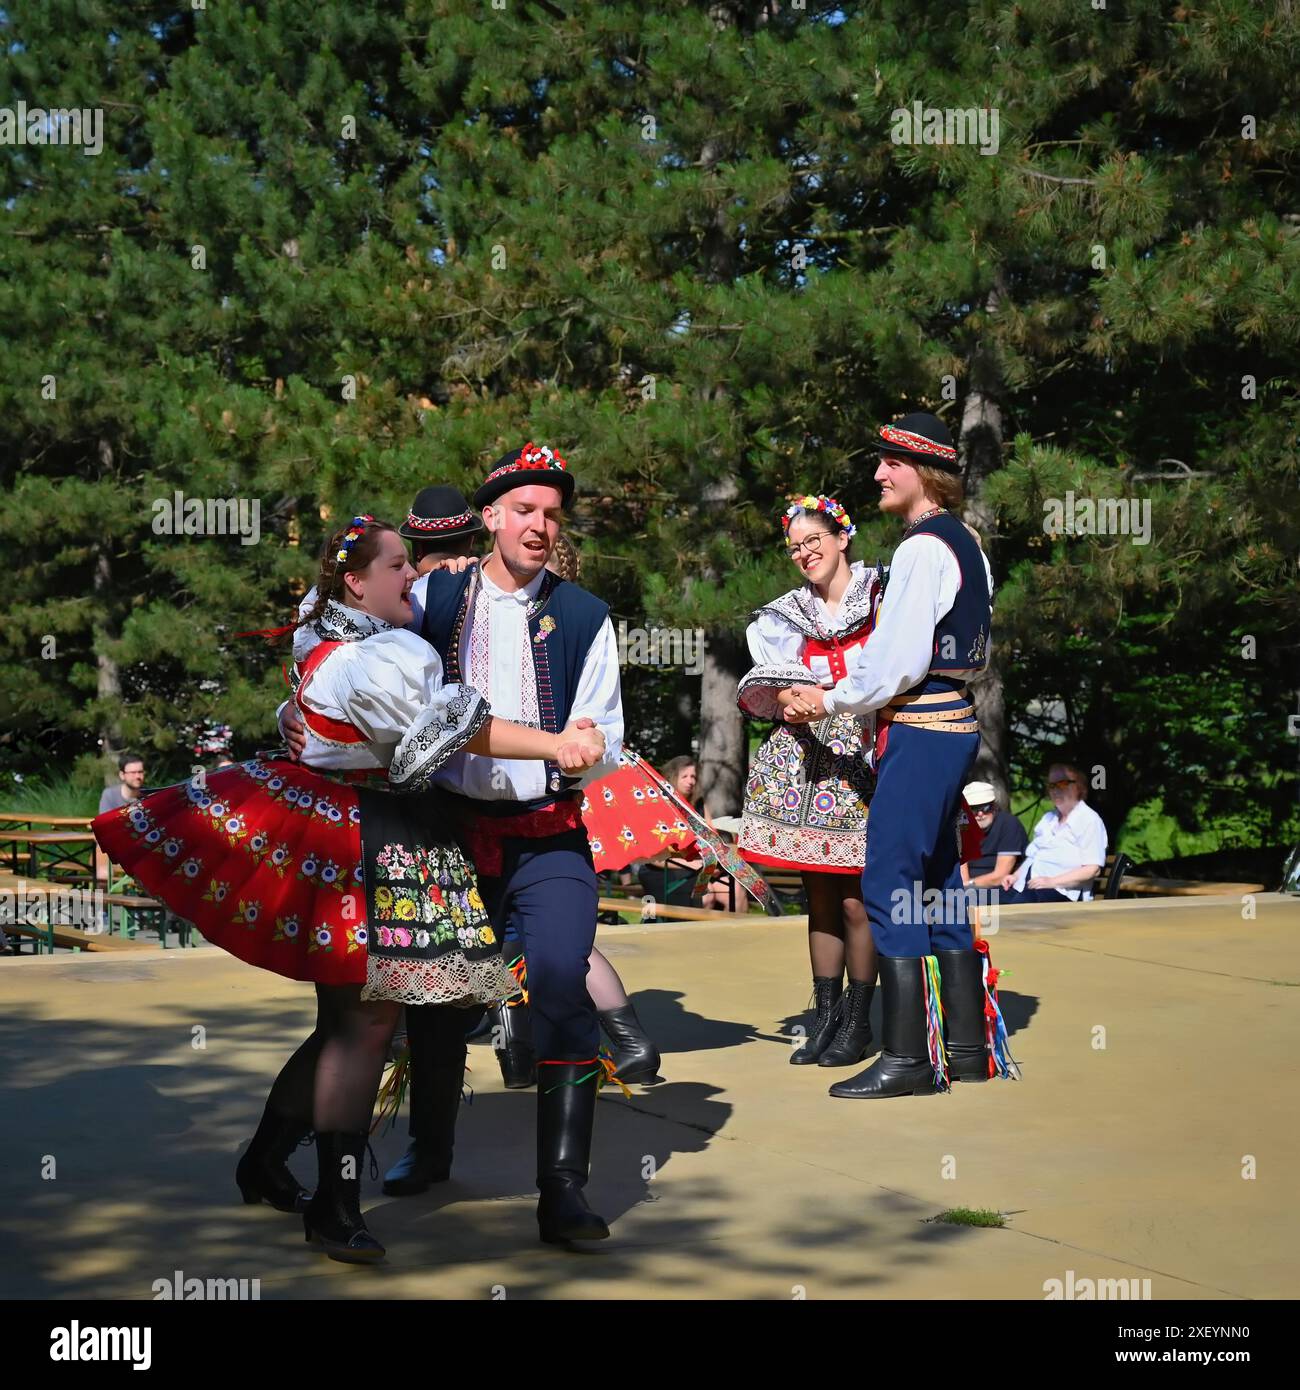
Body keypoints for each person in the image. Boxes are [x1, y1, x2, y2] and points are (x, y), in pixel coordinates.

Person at [94, 515, 604, 1264]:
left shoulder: (336, 635)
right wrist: (556, 742)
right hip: (367, 837)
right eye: (398, 566)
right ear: (357, 583)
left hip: (371, 829)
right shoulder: (381, 655)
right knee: (363, 1023)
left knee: (357, 1022)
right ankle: (331, 1203)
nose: (412, 578)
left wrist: (300, 718)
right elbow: (448, 729)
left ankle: (271, 1160)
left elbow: (347, 707)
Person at [283, 446, 628, 1244]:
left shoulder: (584, 615)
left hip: (547, 837)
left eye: (550, 514)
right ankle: (428, 1150)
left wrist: (587, 751)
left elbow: (602, 736)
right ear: (493, 519)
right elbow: (335, 630)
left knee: (560, 984)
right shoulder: (431, 594)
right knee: (431, 1008)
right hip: (444, 834)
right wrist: (289, 712)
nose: (539, 526)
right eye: (525, 511)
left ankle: (562, 1190)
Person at [785, 413, 1009, 1098]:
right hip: (954, 725)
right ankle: (967, 1050)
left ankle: (909, 1058)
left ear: (923, 472)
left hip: (920, 725)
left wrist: (827, 699)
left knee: (887, 879)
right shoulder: (966, 541)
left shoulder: (921, 549)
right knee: (938, 881)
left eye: (891, 464)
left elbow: (900, 660)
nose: (878, 475)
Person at [736, 495, 884, 1067]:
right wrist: (788, 698)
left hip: (864, 752)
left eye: (813, 540)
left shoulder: (881, 595)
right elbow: (771, 683)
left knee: (855, 899)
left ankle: (858, 1019)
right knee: (818, 896)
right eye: (795, 546)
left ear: (843, 537)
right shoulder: (783, 615)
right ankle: (824, 1017)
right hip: (805, 758)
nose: (804, 553)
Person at [998, 762, 1107, 904]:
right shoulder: (1049, 818)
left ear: (1078, 786)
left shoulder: (1089, 820)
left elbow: (1092, 869)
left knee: (1007, 913)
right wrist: (1015, 876)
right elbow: (1034, 856)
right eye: (1051, 785)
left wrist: (1051, 881)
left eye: (1061, 783)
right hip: (1028, 887)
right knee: (974, 898)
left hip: (1061, 892)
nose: (1055, 790)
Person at [960, 780, 1028, 890]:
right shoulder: (962, 828)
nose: (980, 814)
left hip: (1004, 889)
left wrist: (968, 886)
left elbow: (1000, 876)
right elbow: (961, 872)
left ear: (994, 806)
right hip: (969, 890)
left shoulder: (1008, 824)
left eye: (985, 808)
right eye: (974, 809)